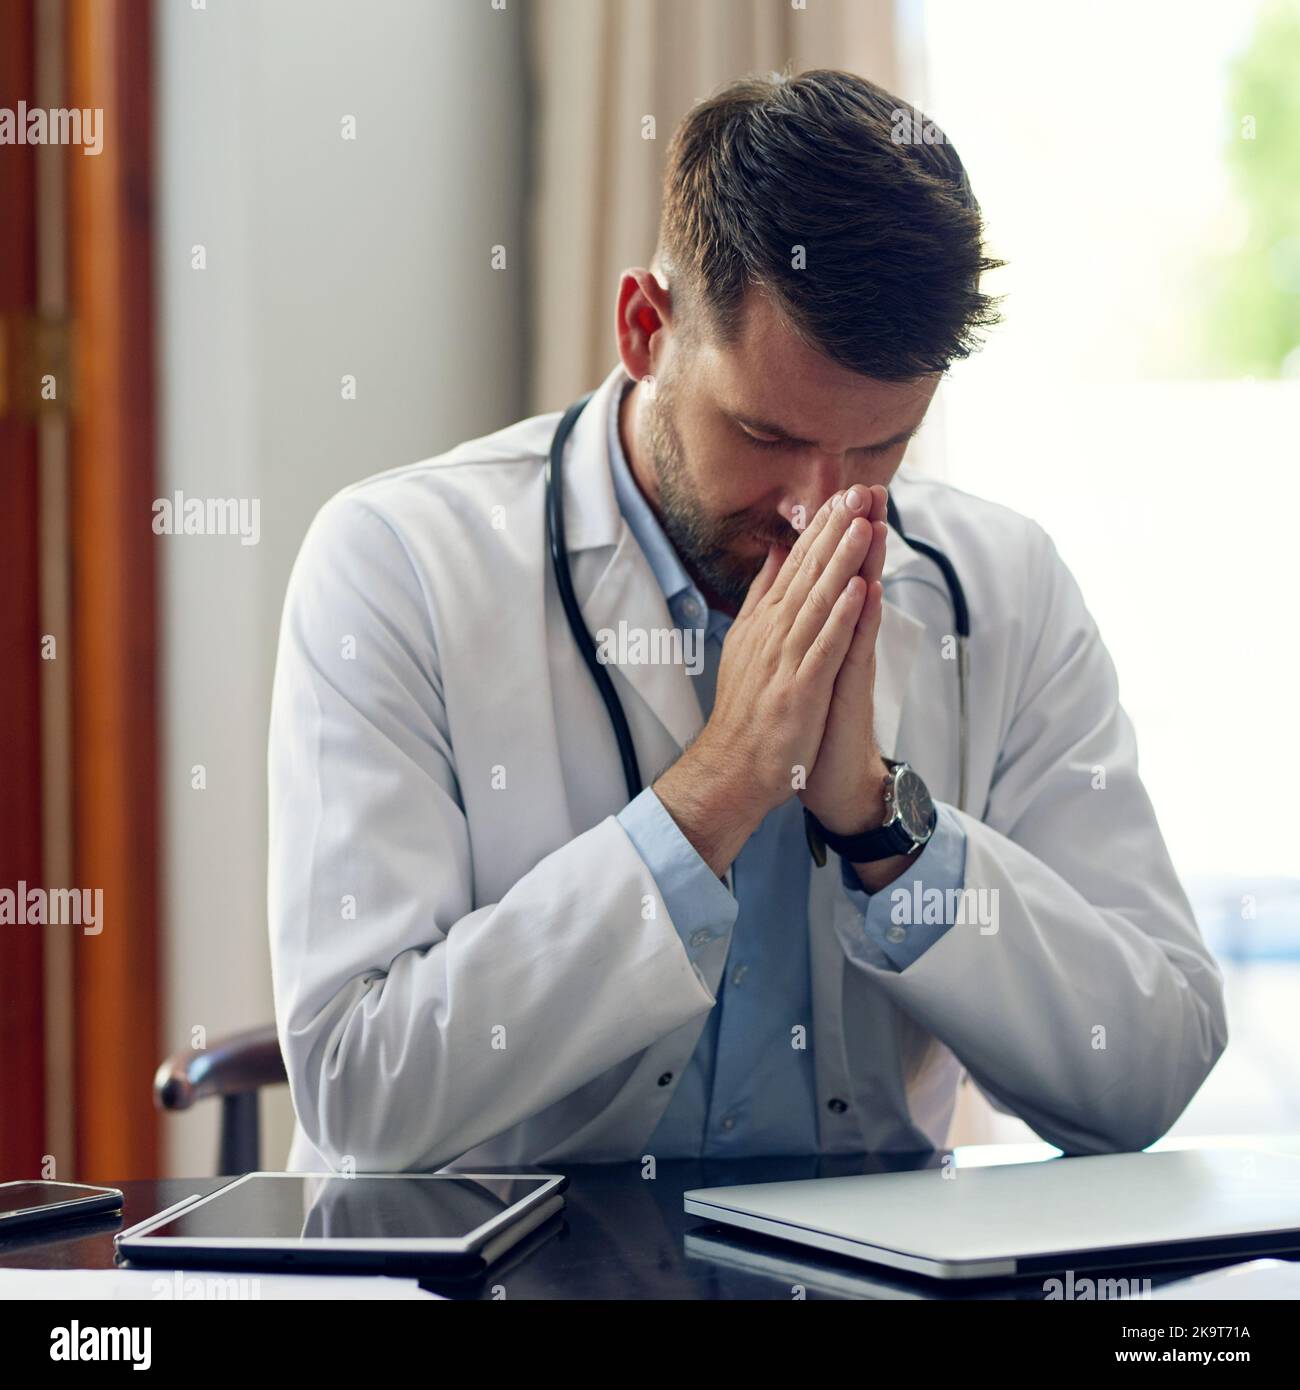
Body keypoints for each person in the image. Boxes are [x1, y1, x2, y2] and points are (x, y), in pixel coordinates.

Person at [268, 69, 1225, 1173]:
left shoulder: (1004, 586)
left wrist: (878, 825)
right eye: (764, 434)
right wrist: (713, 796)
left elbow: (1151, 1065)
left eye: (877, 447)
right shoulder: (394, 565)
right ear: (645, 328)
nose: (817, 505)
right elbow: (356, 1088)